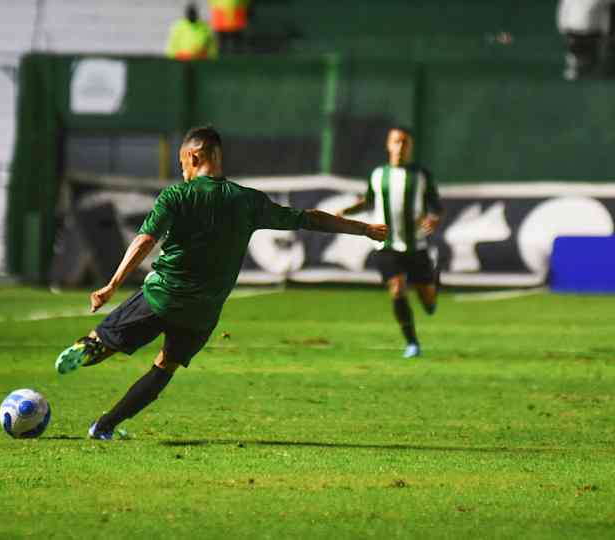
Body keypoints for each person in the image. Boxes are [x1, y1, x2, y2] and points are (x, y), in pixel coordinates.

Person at [55, 125, 388, 440]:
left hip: (164, 294)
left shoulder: (177, 195)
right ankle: (104, 426)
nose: (182, 170)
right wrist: (363, 229)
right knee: (164, 367)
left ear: (195, 158)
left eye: (182, 163)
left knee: (107, 340)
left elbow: (144, 240)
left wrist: (112, 284)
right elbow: (308, 220)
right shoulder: (248, 201)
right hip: (203, 311)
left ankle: (90, 347)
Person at [338, 127, 443, 359]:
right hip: (385, 244)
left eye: (405, 142)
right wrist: (346, 210)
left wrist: (432, 219)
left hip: (416, 245)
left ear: (410, 147)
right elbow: (368, 201)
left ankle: (433, 282)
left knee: (429, 303)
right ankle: (412, 343)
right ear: (388, 145)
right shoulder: (378, 175)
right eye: (396, 141)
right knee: (397, 288)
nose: (400, 146)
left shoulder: (421, 175)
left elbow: (436, 206)